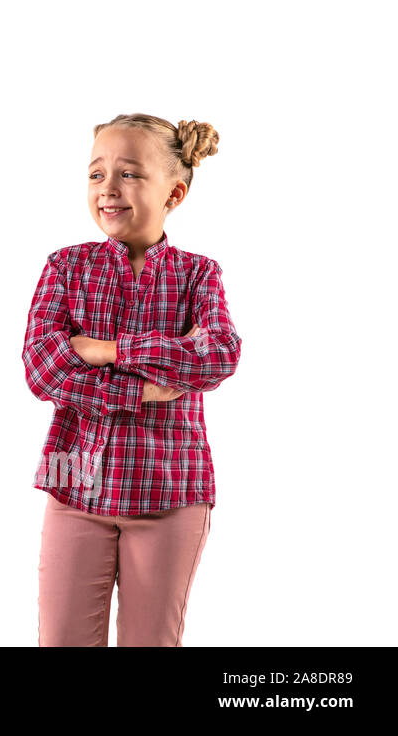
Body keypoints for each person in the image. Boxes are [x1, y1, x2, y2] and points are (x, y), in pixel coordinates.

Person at [21, 113, 241, 646]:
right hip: (75, 483)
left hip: (171, 489)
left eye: (130, 174)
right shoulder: (66, 267)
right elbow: (42, 367)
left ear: (175, 192)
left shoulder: (198, 274)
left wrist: (106, 350)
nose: (108, 190)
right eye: (96, 175)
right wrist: (142, 386)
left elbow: (217, 354)